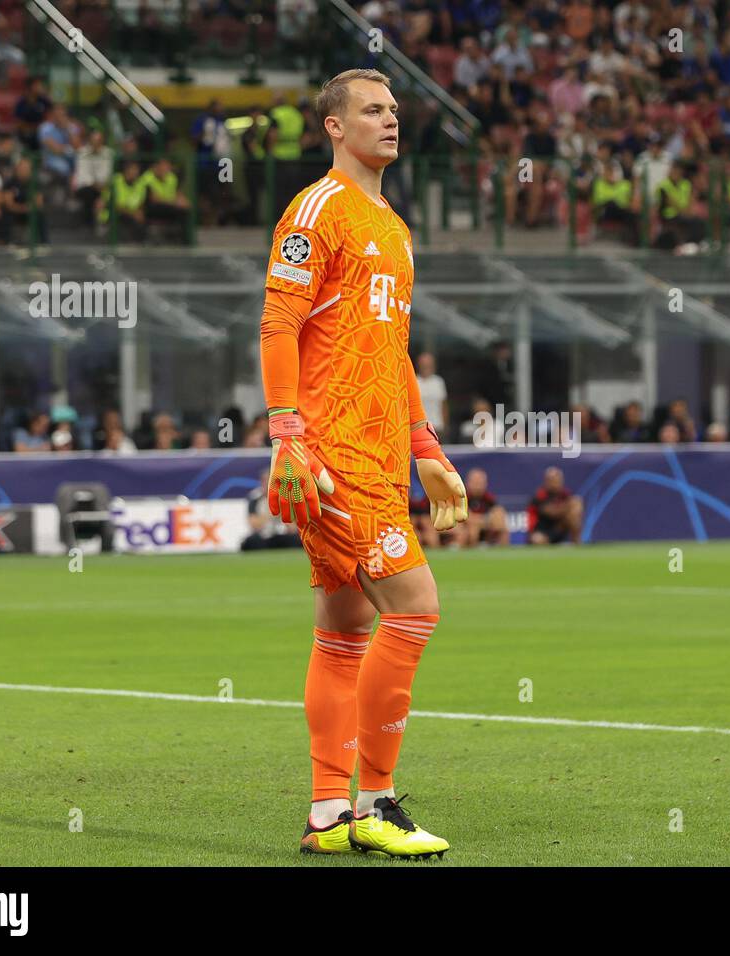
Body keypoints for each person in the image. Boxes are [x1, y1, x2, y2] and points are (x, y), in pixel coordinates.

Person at [260, 68, 466, 858]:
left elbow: (393, 354)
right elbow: (278, 323)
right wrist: (288, 434)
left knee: (345, 628)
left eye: (395, 108)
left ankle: (325, 815)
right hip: (331, 454)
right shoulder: (318, 210)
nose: (391, 119)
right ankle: (374, 802)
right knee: (413, 606)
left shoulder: (395, 227)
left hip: (381, 454)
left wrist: (428, 451)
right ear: (334, 127)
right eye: (373, 109)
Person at [527, 465, 583, 544]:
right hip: (541, 531)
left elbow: (576, 507)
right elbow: (553, 513)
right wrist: (570, 505)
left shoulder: (565, 494)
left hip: (558, 530)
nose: (555, 483)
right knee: (537, 540)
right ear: (546, 481)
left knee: (575, 513)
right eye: (552, 480)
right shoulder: (539, 496)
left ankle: (577, 544)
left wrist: (574, 506)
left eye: (558, 480)